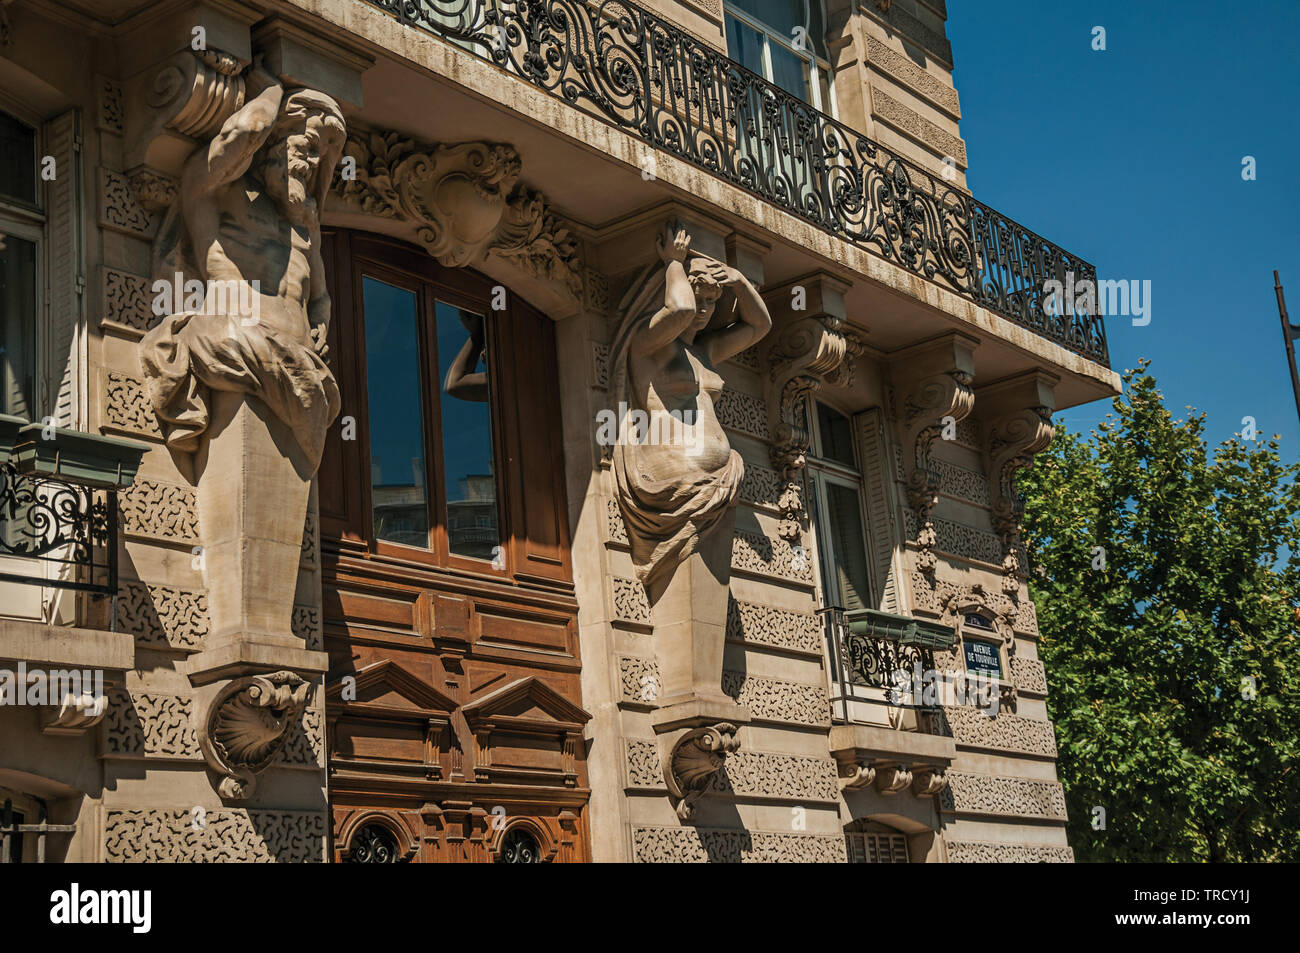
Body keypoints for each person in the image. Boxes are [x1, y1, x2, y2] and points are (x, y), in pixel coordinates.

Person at [141, 62, 345, 471]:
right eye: (303, 148)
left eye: (316, 154)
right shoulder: (215, 188)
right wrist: (269, 92)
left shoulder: (303, 224)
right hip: (235, 347)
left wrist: (319, 324)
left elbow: (319, 297)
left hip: (299, 366)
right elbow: (245, 131)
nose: (309, 163)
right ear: (272, 143)